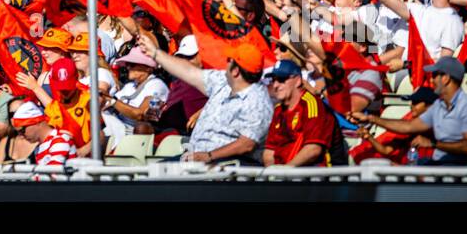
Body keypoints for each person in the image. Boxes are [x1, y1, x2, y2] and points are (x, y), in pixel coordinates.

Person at [135, 31, 271, 164]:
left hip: (227, 165)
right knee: (153, 172)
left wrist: (209, 156)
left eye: (229, 60)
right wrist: (155, 53)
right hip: (198, 158)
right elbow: (187, 71)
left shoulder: (258, 100)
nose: (225, 63)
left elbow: (246, 144)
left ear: (235, 71)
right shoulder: (222, 81)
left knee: (157, 178)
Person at [350, 56, 467, 165]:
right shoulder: (438, 106)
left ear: (446, 78)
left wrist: (432, 144)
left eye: (435, 75)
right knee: (386, 167)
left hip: (459, 171)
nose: (432, 80)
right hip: (437, 166)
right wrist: (370, 119)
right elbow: (409, 126)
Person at [262, 59, 349, 166]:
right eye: (273, 80)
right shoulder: (279, 110)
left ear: (298, 81)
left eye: (281, 79)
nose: (275, 85)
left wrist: (285, 170)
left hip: (319, 175)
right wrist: (273, 174)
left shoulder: (312, 104)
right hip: (288, 174)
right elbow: (269, 152)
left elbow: (313, 150)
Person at [11, 100, 76, 169]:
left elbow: (53, 175)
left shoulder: (59, 140)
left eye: (22, 130)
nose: (21, 136)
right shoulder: (40, 147)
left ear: (36, 122)